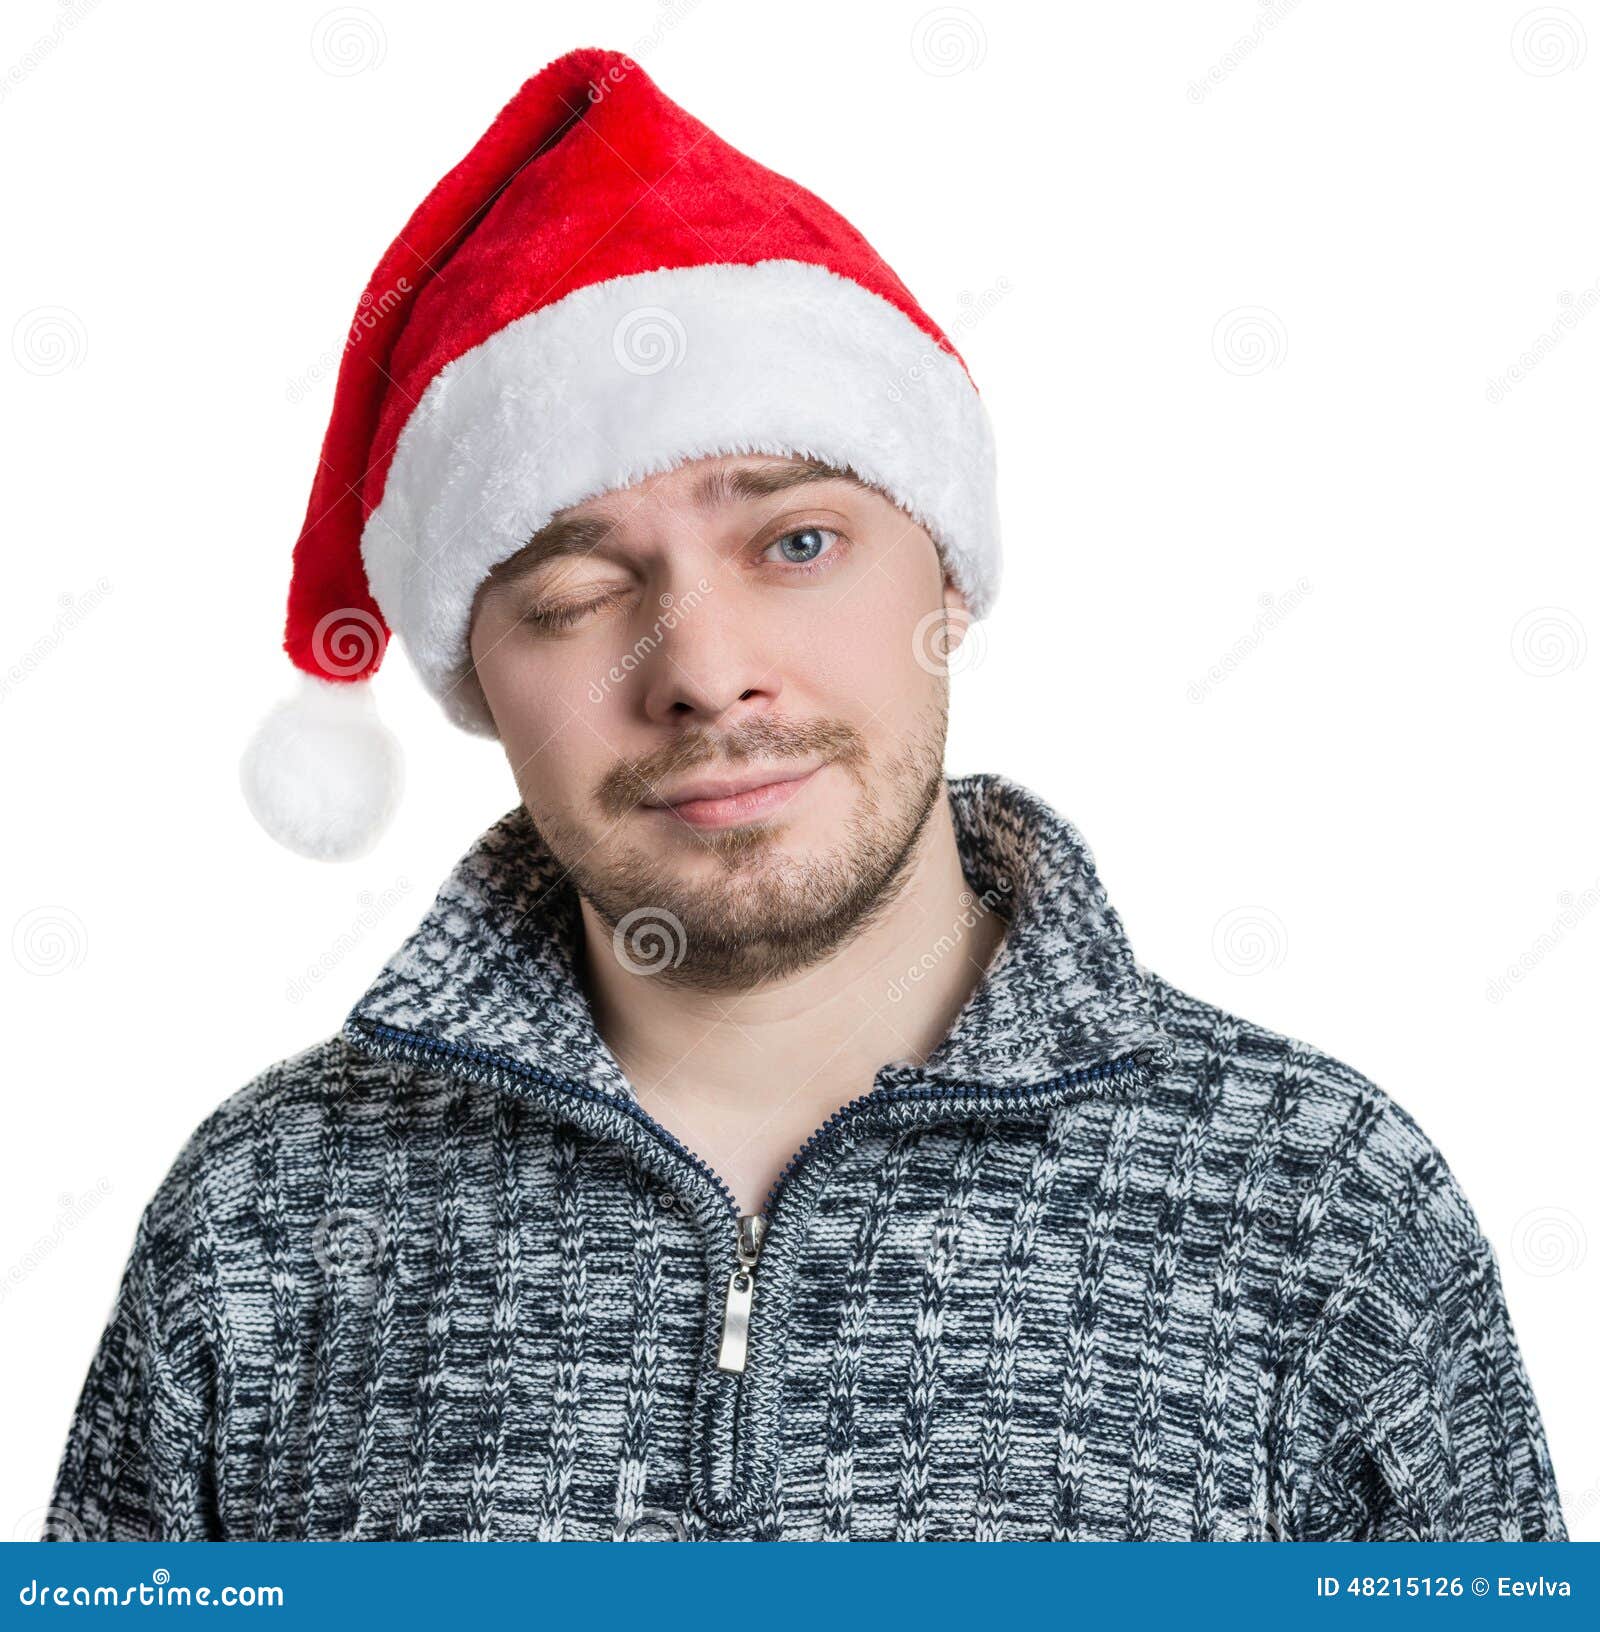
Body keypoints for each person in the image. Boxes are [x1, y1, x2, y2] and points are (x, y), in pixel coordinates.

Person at [44, 46, 1566, 1544]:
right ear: (476, 674)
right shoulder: (261, 1221)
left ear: (949, 580)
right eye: (573, 590)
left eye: (795, 545)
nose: (704, 673)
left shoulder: (1322, 1201)